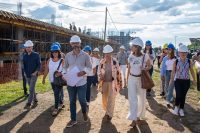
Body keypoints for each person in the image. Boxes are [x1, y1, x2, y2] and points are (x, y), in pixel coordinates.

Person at [64, 35, 92, 128]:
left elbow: (89, 67)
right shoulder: (68, 55)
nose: (75, 45)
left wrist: (84, 72)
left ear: (80, 44)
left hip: (82, 82)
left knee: (82, 100)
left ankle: (84, 111)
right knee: (72, 101)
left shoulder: (86, 55)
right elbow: (65, 67)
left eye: (77, 43)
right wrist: (64, 74)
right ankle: (73, 119)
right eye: (73, 43)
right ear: (71, 44)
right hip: (71, 82)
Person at [127, 37, 151, 127]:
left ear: (137, 47)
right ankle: (134, 119)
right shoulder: (130, 55)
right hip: (131, 79)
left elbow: (149, 66)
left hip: (141, 79)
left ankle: (138, 116)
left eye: (132, 46)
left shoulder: (145, 56)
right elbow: (129, 67)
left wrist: (145, 68)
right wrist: (126, 79)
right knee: (132, 99)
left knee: (141, 98)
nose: (131, 47)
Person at [98, 44, 122, 121]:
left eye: (109, 53)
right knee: (104, 98)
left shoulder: (115, 62)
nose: (107, 55)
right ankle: (107, 111)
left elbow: (118, 72)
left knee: (111, 98)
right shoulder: (102, 62)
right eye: (106, 53)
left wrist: (119, 84)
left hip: (112, 83)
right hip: (104, 82)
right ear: (104, 53)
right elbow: (99, 72)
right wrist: (100, 77)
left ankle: (109, 114)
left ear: (111, 53)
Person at [170, 44, 196, 116]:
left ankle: (181, 109)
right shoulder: (176, 61)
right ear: (179, 53)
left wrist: (194, 80)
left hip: (186, 81)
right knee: (178, 94)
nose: (183, 54)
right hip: (177, 80)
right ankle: (176, 108)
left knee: (183, 95)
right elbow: (173, 71)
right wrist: (171, 80)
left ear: (187, 53)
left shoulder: (189, 61)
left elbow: (192, 71)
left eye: (185, 52)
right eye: (181, 52)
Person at [42, 44, 65, 116]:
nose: (54, 53)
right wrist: (44, 78)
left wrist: (60, 73)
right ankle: (61, 103)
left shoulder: (62, 61)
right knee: (57, 93)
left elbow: (65, 70)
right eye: (53, 52)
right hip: (52, 80)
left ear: (59, 52)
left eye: (56, 52)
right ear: (51, 52)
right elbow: (46, 70)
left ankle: (56, 108)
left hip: (59, 81)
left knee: (56, 94)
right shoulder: (49, 60)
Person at [23, 40, 41, 109]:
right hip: (27, 75)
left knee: (30, 89)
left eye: (29, 47)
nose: (28, 48)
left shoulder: (36, 55)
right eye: (27, 47)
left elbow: (39, 65)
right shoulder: (24, 56)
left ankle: (29, 103)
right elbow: (23, 66)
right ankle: (35, 99)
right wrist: (24, 73)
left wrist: (36, 72)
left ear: (32, 47)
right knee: (32, 88)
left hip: (34, 75)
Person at [162, 43, 176, 108]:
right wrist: (162, 74)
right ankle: (169, 96)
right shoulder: (165, 58)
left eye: (170, 49)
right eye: (168, 49)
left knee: (171, 86)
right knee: (167, 85)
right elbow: (163, 67)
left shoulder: (176, 58)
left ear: (173, 50)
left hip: (173, 73)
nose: (169, 50)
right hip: (167, 73)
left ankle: (169, 99)